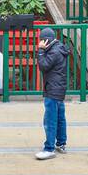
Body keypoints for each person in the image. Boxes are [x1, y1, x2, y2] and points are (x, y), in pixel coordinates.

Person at [36, 27, 69, 159]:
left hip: (53, 90)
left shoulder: (53, 52)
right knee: (60, 118)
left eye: (42, 41)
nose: (40, 43)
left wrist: (40, 51)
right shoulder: (59, 47)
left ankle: (49, 148)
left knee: (50, 120)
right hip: (59, 89)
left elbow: (43, 65)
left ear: (46, 40)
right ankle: (61, 143)